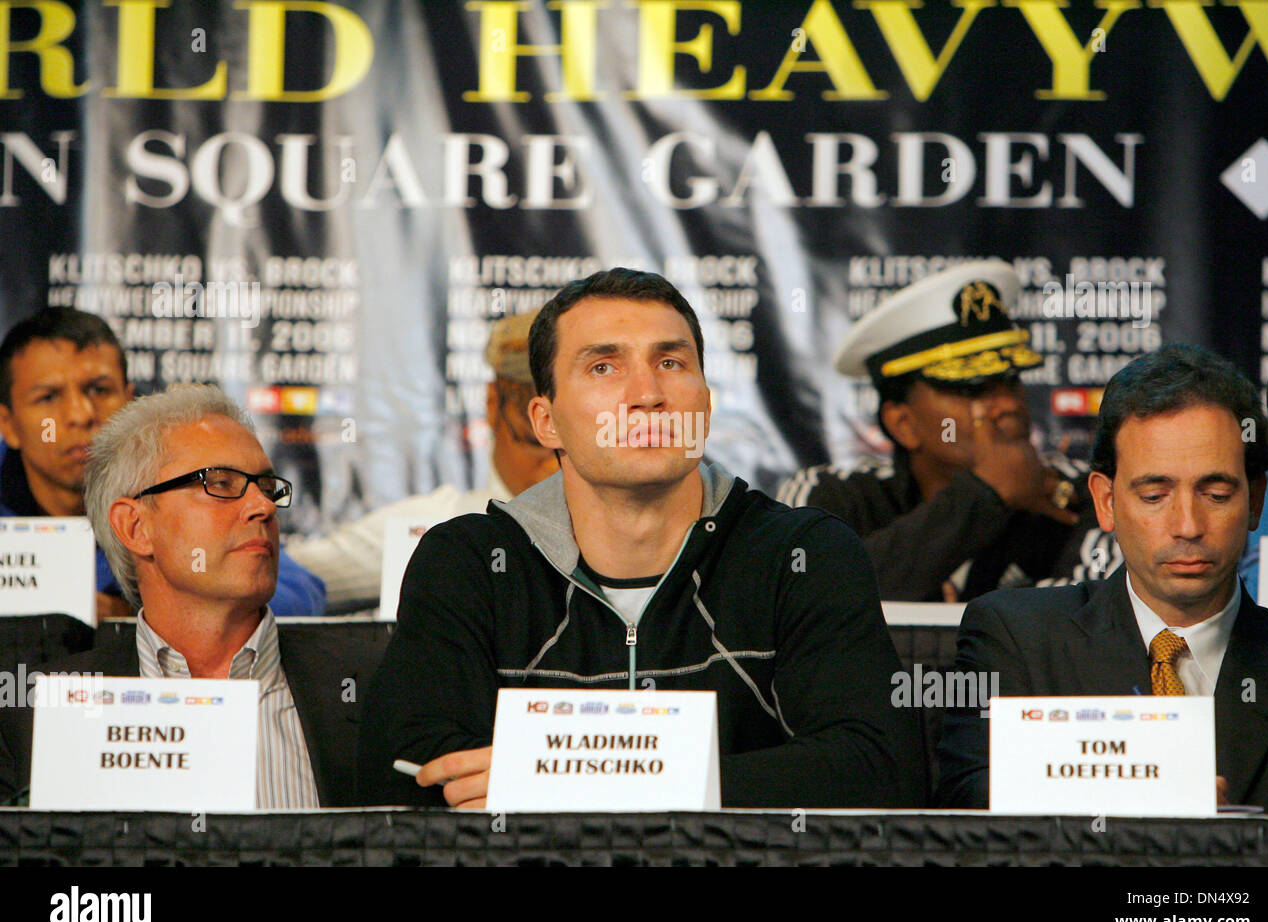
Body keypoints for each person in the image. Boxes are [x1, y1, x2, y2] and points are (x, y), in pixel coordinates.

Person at [358, 268, 926, 809]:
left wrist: (586, 783)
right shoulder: (471, 561)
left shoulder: (802, 554)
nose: (648, 394)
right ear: (545, 420)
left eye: (672, 362)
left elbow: (878, 768)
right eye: (604, 367)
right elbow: (406, 775)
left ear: (704, 405)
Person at [937, 344, 1268, 816]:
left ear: (1254, 501)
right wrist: (1145, 797)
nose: (1187, 524)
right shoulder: (1017, 640)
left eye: (1216, 492)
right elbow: (969, 798)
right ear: (1105, 502)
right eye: (1153, 495)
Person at [0, 385, 379, 807]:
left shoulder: (376, 692)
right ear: (136, 528)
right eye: (220, 483)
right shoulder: (43, 720)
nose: (263, 507)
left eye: (267, 486)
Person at [777, 261, 1114, 601]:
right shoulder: (829, 497)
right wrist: (984, 495)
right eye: (972, 389)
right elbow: (801, 598)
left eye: (1011, 381)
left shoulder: (1086, 495)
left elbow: (1088, 618)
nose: (1007, 405)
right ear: (903, 424)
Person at [0, 307, 325, 617]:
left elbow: (300, 594)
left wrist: (141, 612)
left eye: (99, 389)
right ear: (8, 424)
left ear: (129, 401)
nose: (81, 414)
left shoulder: (175, 482)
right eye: (48, 397)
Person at [285, 309, 558, 613]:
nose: (556, 467)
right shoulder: (427, 530)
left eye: (572, 450)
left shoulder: (613, 533)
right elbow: (275, 580)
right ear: (492, 405)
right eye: (536, 444)